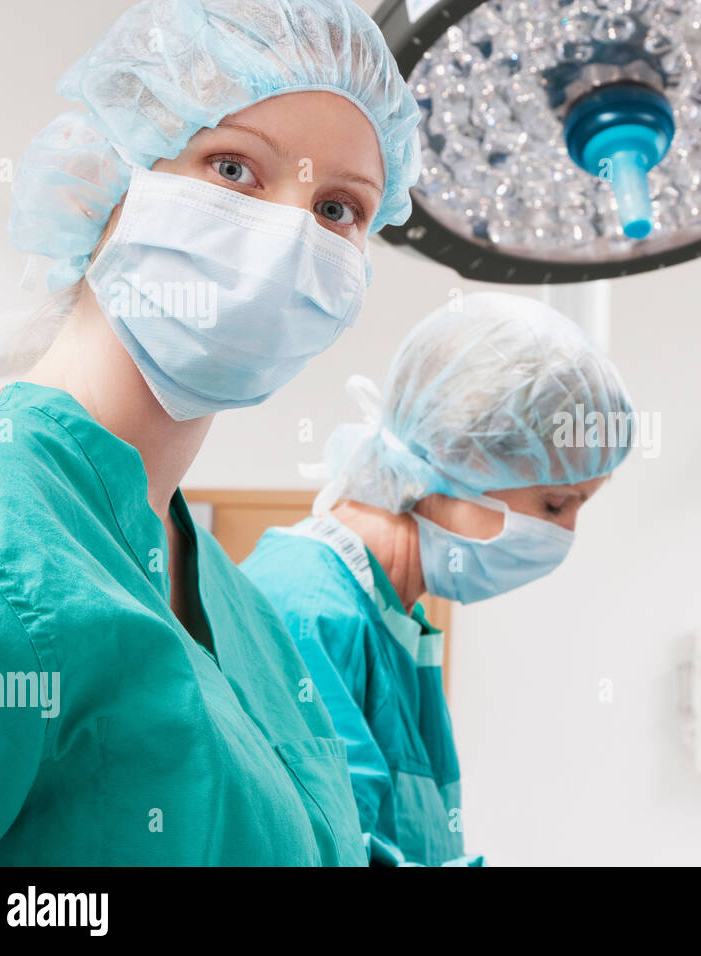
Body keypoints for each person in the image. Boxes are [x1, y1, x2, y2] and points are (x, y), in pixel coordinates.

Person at [0, 0, 421, 865]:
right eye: (235, 169)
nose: (288, 233)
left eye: (337, 210)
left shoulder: (234, 603)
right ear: (107, 180)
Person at [241, 291, 635, 866]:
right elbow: (313, 852)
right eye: (554, 505)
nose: (567, 533)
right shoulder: (302, 606)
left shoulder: (397, 622)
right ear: (457, 455)